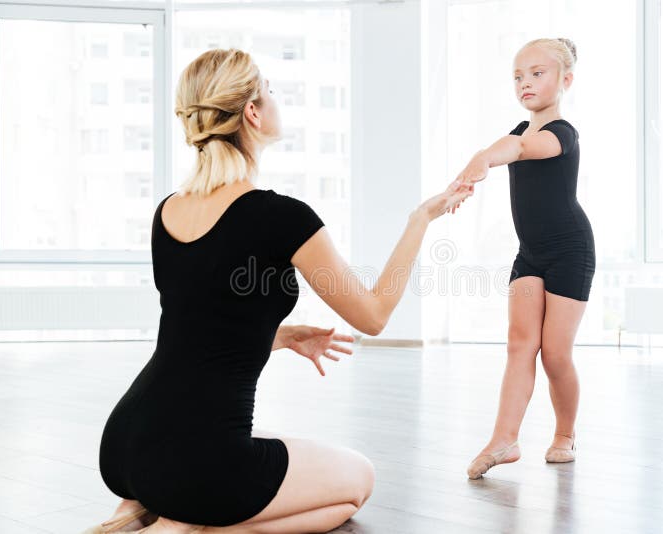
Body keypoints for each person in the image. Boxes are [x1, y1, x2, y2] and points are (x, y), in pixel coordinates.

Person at [86, 48, 474, 534]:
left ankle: (145, 508)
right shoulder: (281, 217)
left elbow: (199, 326)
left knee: (242, 448)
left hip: (124, 443)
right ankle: (189, 525)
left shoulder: (168, 211)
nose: (274, 99)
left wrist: (279, 335)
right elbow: (374, 315)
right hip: (197, 462)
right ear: (252, 111)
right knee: (358, 479)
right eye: (269, 91)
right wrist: (422, 220)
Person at [457, 38, 595, 479]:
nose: (526, 83)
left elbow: (515, 151)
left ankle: (565, 434)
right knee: (519, 345)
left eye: (538, 73)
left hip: (571, 250)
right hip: (530, 254)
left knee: (555, 354)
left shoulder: (561, 133)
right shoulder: (520, 129)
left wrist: (484, 160)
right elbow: (506, 144)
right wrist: (473, 168)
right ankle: (505, 440)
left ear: (565, 80)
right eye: (518, 76)